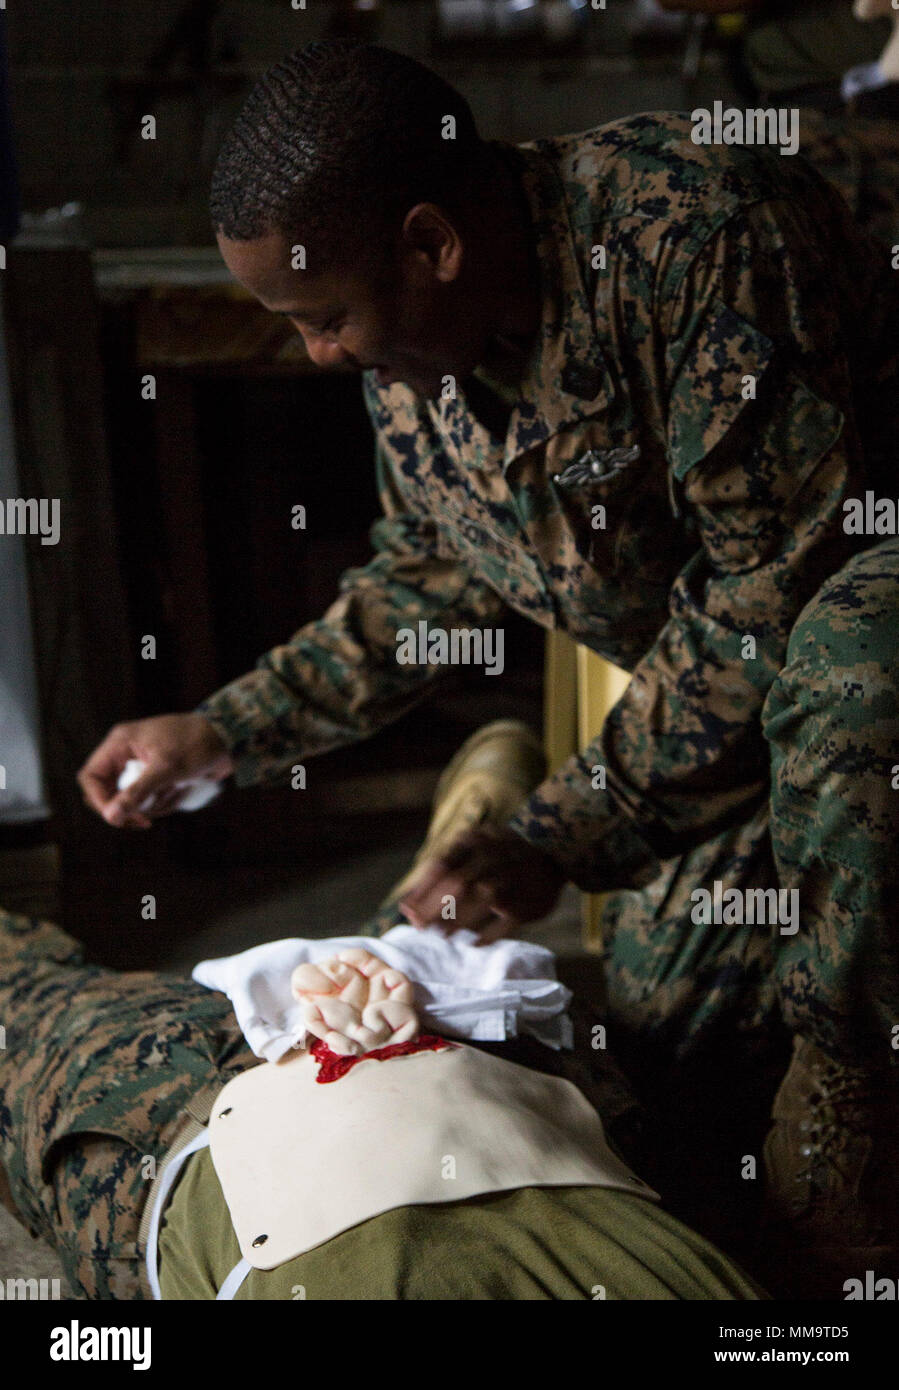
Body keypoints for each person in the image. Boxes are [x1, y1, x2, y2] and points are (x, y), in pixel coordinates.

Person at [77, 41, 899, 1291]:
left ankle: (859, 1098)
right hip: (741, 685)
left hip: (844, 615)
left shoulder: (699, 234)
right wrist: (225, 729)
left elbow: (766, 601)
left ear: (431, 244)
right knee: (663, 1036)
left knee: (853, 666)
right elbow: (433, 576)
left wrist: (555, 831)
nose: (317, 356)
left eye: (323, 318)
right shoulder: (418, 354)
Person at [0, 724, 765, 1301]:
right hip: (485, 1082)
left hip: (179, 1116)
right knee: (359, 989)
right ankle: (430, 922)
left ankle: (428, 919)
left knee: (30, 1003)